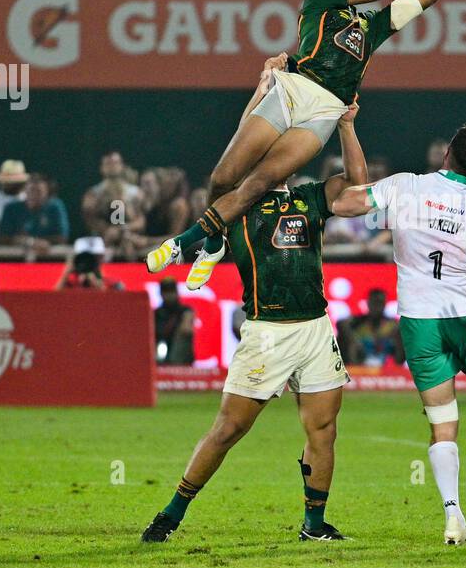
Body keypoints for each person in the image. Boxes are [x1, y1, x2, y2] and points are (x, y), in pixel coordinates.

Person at [144, 0, 466, 291]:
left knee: (260, 183)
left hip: (326, 111)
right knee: (223, 178)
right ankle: (211, 243)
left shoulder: (372, 28)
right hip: (295, 90)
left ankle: (182, 243)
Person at [140, 105, 369, 545]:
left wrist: (346, 124)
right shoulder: (236, 204)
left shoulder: (310, 197)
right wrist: (262, 95)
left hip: (316, 329)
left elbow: (357, 182)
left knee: (323, 430)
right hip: (268, 332)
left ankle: (314, 525)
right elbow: (232, 158)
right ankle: (171, 514)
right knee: (229, 429)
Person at [331, 123, 466, 545]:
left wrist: (344, 149)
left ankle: (454, 518)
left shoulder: (404, 186)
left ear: (445, 155)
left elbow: (346, 205)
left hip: (421, 322)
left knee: (443, 425)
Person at [337, 288, 405, 365]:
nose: (377, 306)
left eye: (380, 303)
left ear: (384, 304)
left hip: (386, 365)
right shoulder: (357, 322)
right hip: (360, 363)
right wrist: (354, 339)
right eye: (374, 302)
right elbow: (341, 323)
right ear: (368, 303)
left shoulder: (393, 325)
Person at [153, 276, 195, 364]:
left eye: (171, 292)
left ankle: (176, 363)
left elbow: (187, 329)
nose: (169, 295)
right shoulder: (156, 313)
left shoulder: (185, 311)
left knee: (183, 336)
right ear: (161, 293)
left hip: (179, 353)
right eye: (166, 292)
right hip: (160, 346)